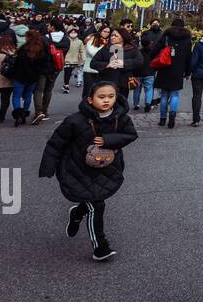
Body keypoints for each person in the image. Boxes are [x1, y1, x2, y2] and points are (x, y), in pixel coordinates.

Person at [39, 80, 138, 262]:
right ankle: (100, 247)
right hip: (77, 170)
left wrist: (109, 140)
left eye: (111, 96)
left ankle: (77, 213)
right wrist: (48, 166)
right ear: (91, 100)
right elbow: (56, 143)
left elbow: (131, 135)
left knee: (94, 203)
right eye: (101, 97)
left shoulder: (120, 118)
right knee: (97, 206)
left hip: (106, 169)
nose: (107, 100)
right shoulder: (75, 120)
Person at [6, 29, 53, 127]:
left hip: (20, 76)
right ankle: (25, 112)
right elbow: (46, 63)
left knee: (16, 96)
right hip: (34, 77)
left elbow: (16, 63)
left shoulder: (23, 49)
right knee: (28, 96)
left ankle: (18, 114)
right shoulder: (42, 49)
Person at [152, 18, 193, 128]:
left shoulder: (166, 36)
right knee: (175, 94)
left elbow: (155, 50)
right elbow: (189, 56)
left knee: (164, 94)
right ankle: (172, 117)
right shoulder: (187, 38)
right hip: (179, 69)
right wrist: (188, 71)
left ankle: (162, 119)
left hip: (165, 67)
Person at [31, 18, 68, 124]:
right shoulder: (66, 39)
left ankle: (39, 112)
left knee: (38, 90)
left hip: (43, 67)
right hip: (57, 66)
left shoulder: (44, 38)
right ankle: (45, 111)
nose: (48, 27)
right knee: (48, 89)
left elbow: (38, 53)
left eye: (49, 25)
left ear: (52, 27)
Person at [133, 20, 163, 112]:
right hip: (150, 72)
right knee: (149, 89)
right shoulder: (153, 52)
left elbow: (135, 62)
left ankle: (136, 104)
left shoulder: (137, 51)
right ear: (150, 43)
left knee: (137, 89)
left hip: (138, 73)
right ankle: (148, 103)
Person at [81, 25, 110, 100]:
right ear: (100, 31)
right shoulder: (92, 39)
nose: (106, 33)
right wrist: (104, 47)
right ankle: (85, 106)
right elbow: (92, 52)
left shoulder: (110, 42)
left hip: (102, 70)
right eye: (104, 31)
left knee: (99, 92)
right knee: (88, 91)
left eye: (108, 32)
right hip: (90, 69)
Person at [62, 27, 85, 94]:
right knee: (67, 72)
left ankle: (70, 82)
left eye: (75, 33)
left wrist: (83, 58)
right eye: (71, 33)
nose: (73, 34)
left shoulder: (79, 41)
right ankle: (66, 85)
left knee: (72, 72)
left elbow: (82, 50)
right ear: (68, 33)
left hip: (75, 59)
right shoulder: (66, 40)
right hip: (66, 59)